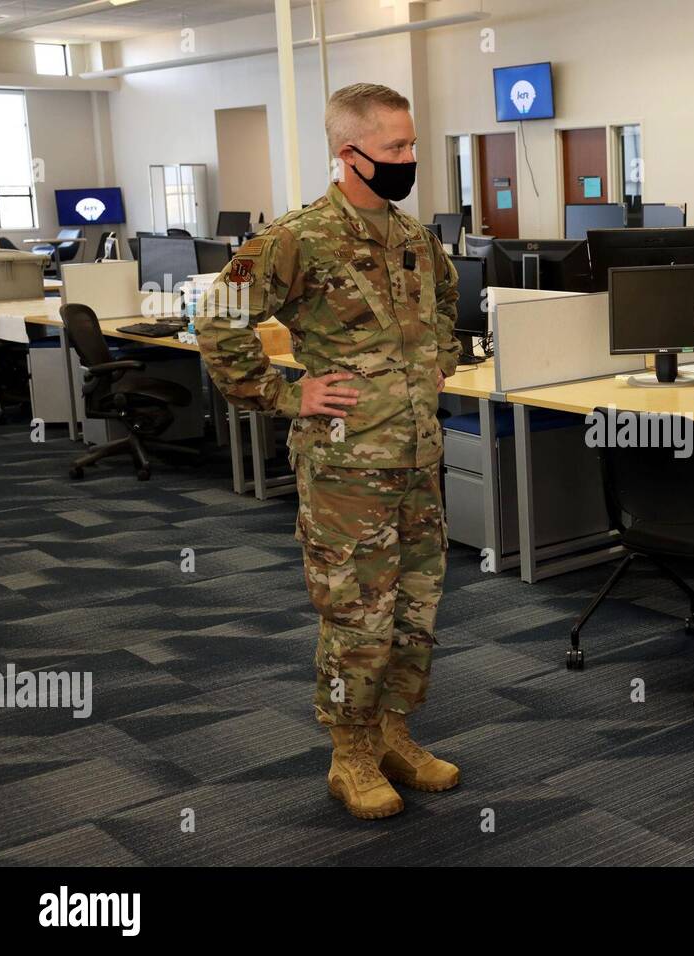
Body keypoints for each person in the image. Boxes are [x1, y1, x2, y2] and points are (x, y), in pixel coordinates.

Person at [198, 83, 461, 820]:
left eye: (411, 145)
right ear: (349, 154)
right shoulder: (293, 238)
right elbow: (217, 318)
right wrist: (285, 395)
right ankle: (349, 753)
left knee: (415, 611)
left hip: (417, 462)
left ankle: (394, 734)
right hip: (347, 470)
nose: (410, 159)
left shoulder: (414, 238)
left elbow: (446, 302)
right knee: (356, 619)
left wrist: (442, 354)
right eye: (396, 149)